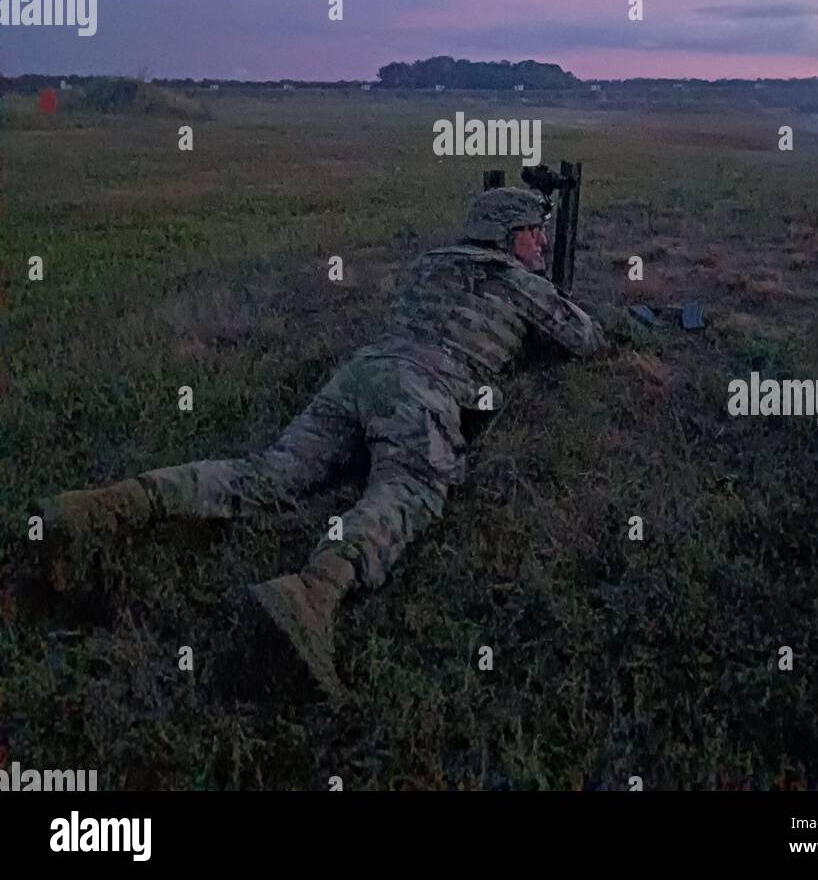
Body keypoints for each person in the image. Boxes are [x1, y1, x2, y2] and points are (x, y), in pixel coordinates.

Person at [39, 188, 605, 692]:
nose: (543, 240)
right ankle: (315, 591)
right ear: (509, 236)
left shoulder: (430, 264)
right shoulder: (518, 281)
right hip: (426, 384)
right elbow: (585, 340)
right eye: (535, 231)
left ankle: (109, 504)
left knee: (271, 472)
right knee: (409, 486)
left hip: (362, 371)